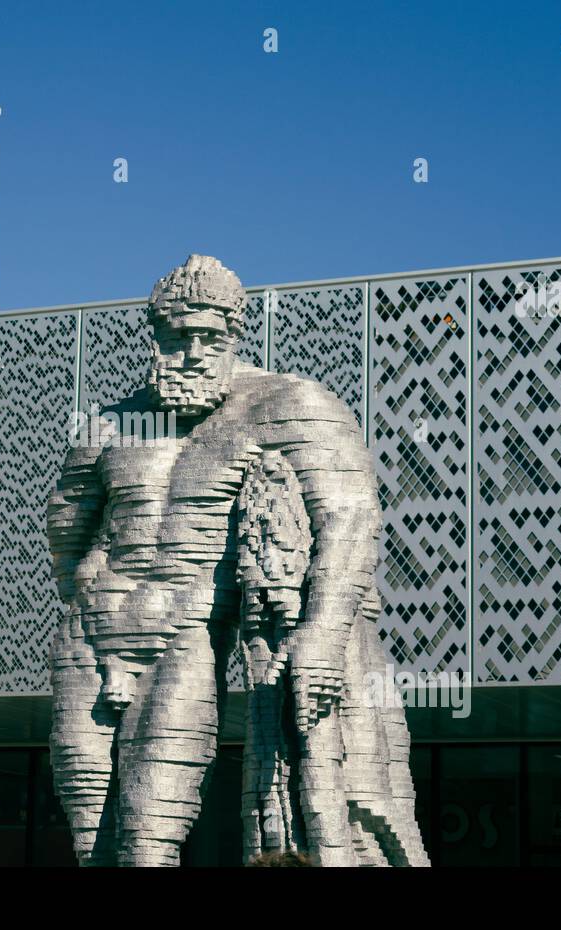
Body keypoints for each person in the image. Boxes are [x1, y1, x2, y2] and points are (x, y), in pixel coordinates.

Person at [46, 254, 428, 866]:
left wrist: (323, 633)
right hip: (92, 639)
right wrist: (92, 596)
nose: (195, 351)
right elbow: (65, 526)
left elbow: (350, 519)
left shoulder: (288, 404)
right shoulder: (110, 427)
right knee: (90, 828)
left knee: (148, 828)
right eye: (179, 336)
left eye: (211, 336)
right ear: (157, 335)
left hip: (184, 628)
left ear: (235, 333)